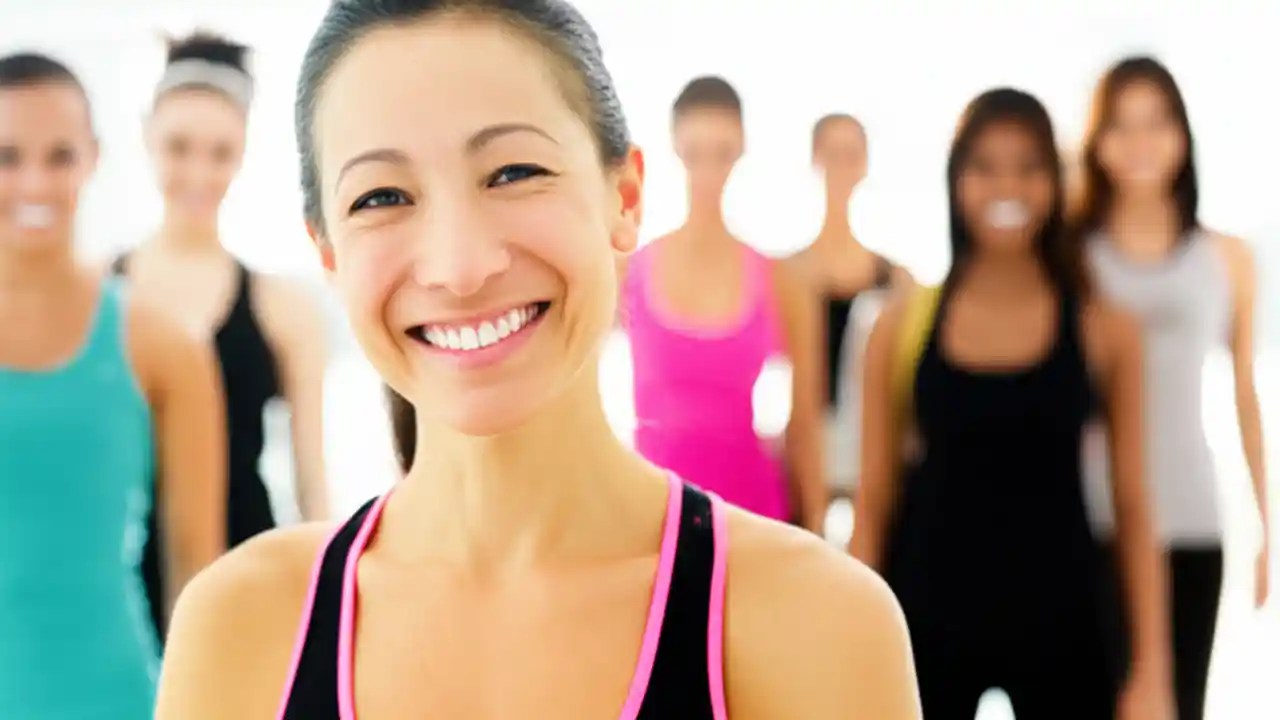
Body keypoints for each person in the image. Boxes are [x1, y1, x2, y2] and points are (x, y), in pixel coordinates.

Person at [155, 2, 920, 719]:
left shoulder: (819, 626)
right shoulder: (240, 629)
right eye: (382, 197)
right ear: (327, 251)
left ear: (623, 199)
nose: (458, 266)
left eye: (513, 173)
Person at [850, 87, 1173, 719]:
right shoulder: (898, 326)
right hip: (926, 616)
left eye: (1028, 166)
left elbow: (1134, 505)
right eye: (985, 166)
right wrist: (850, 654)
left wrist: (1154, 672)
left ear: (1055, 182)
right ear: (955, 179)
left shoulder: (1106, 328)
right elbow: (874, 502)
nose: (1007, 186)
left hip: (1065, 617)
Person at [0, 52, 225, 717]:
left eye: (59, 155)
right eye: (7, 156)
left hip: (115, 698)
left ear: (94, 157)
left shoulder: (164, 348)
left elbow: (197, 579)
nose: (35, 182)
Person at [113, 31, 331, 641]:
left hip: (245, 592)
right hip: (117, 591)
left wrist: (330, 616)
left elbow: (313, 486)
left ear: (242, 155)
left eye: (219, 152)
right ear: (146, 140)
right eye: (179, 147)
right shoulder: (97, 300)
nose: (198, 172)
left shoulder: (283, 309)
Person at [1076, 55, 1270, 720]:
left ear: (1182, 134)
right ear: (1095, 141)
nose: (1139, 142)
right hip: (1090, 519)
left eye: (1155, 122)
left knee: (1182, 706)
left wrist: (1269, 528)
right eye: (1120, 125)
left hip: (1192, 520)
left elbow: (1245, 395)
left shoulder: (1228, 258)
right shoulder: (1073, 256)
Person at [621, 75, 826, 532]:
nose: (709, 170)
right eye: (695, 153)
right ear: (674, 148)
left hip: (751, 515)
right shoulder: (626, 272)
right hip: (648, 515)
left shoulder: (781, 282)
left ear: (741, 150)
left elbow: (805, 427)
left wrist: (821, 543)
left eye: (722, 152)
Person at [787, 113, 910, 506]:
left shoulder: (895, 279)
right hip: (801, 466)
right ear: (815, 160)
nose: (842, 165)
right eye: (833, 153)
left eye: (852, 154)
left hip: (874, 464)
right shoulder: (787, 275)